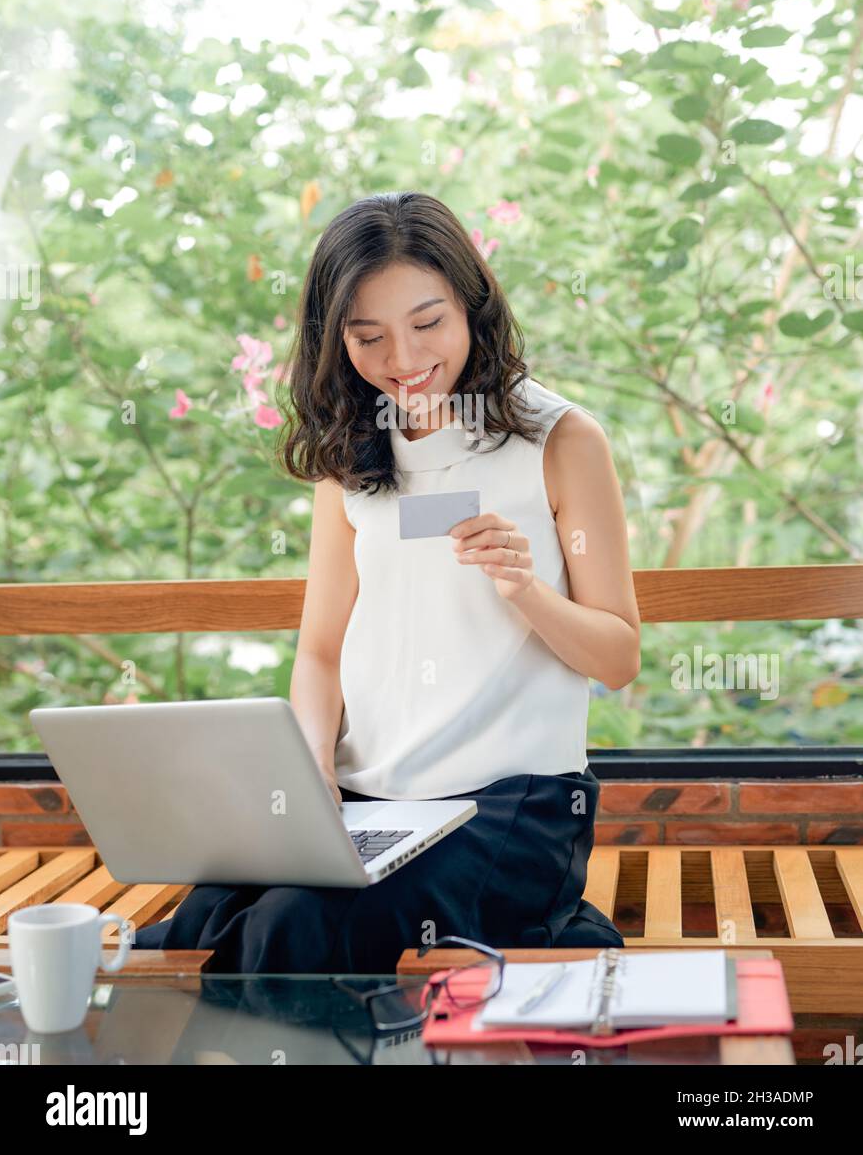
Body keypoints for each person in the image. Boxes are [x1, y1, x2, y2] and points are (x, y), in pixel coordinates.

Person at [133, 191, 639, 972]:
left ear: (473, 308)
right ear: (336, 339)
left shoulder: (559, 440)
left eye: (428, 324)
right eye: (368, 337)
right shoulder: (352, 455)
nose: (402, 361)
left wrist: (526, 589)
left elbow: (617, 658)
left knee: (293, 927)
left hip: (508, 807)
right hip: (366, 804)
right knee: (203, 921)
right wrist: (309, 780)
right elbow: (320, 654)